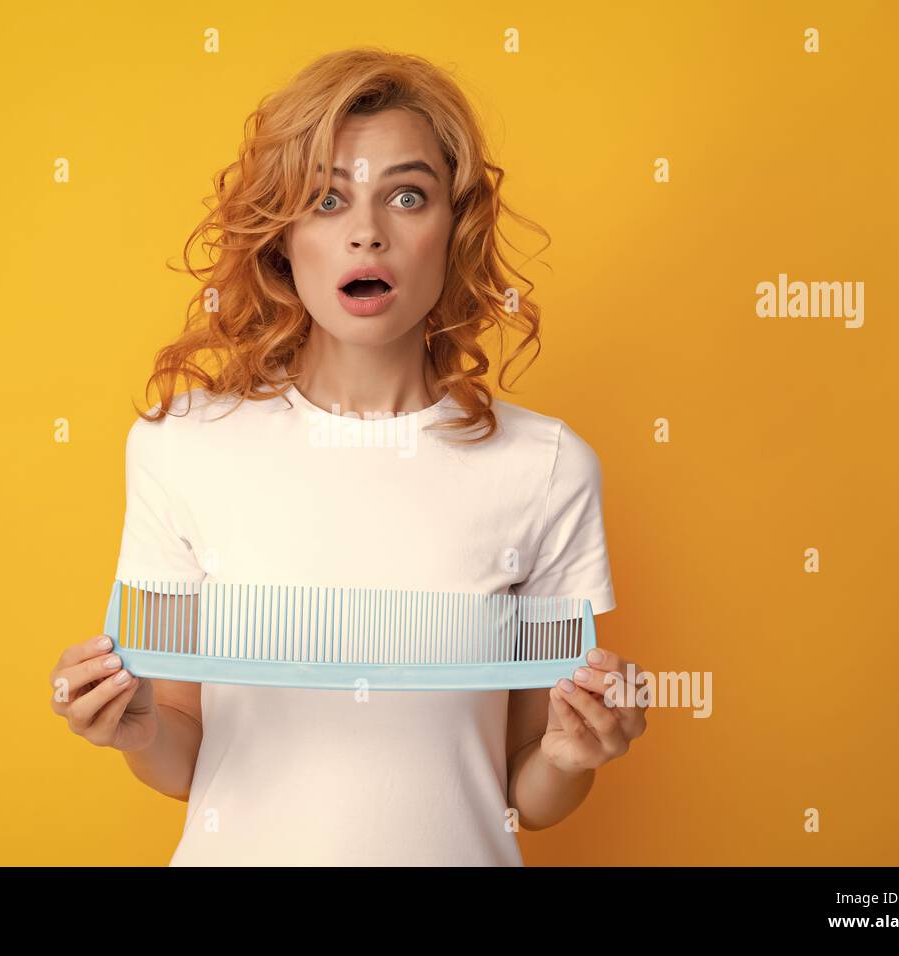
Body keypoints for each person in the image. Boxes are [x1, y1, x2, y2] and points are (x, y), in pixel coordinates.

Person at [50, 47, 647, 865]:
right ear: (284, 238)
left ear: (455, 228)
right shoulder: (179, 448)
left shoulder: (545, 467)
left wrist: (572, 756)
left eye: (407, 196)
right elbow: (187, 752)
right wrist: (136, 731)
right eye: (327, 199)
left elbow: (525, 789)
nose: (368, 232)